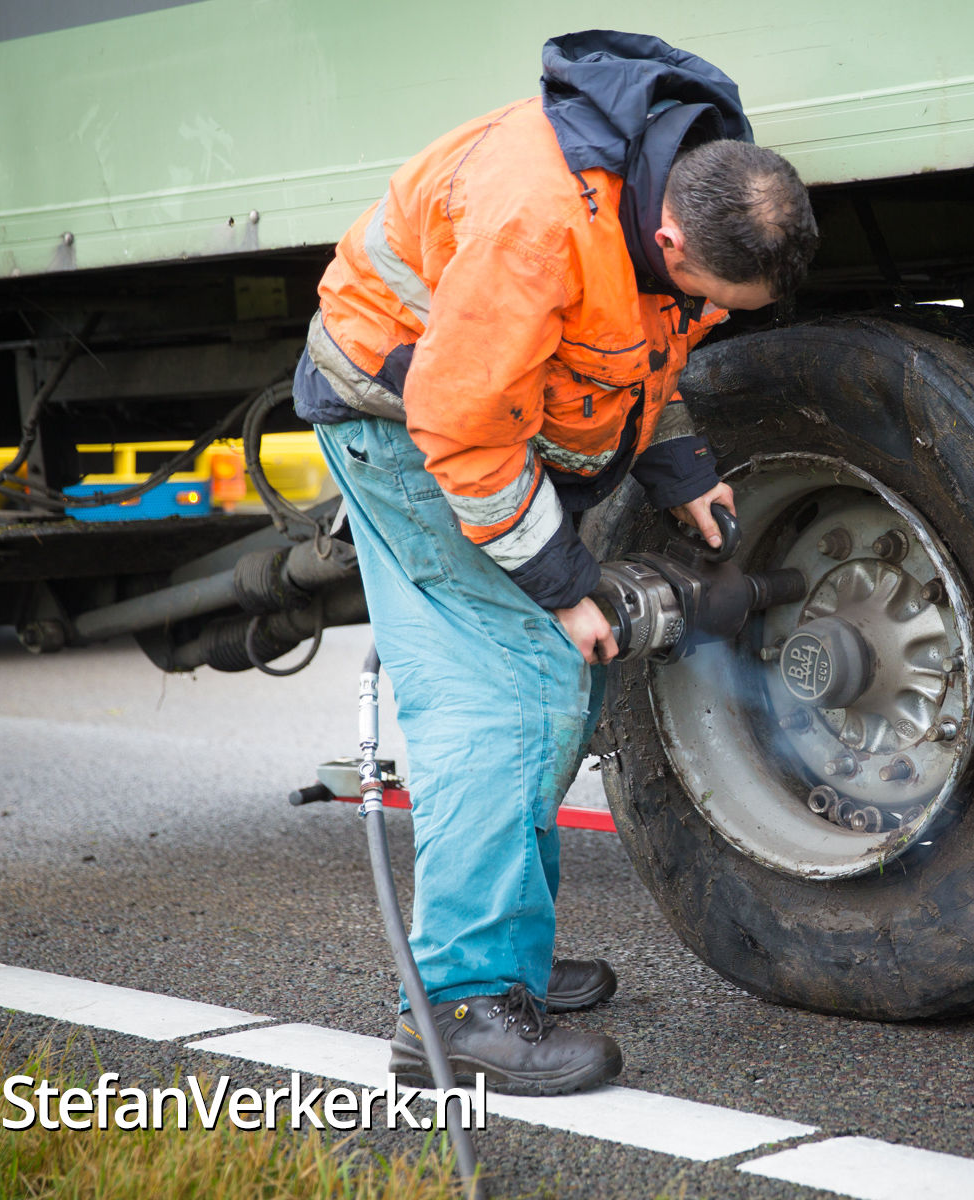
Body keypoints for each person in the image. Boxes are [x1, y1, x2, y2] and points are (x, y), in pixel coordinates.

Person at [290, 30, 818, 1096]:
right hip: (404, 429)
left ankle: (505, 959)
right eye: (713, 294)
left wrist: (676, 465)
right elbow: (464, 427)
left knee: (551, 688)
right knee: (511, 691)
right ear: (669, 232)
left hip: (483, 420)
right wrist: (566, 587)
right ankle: (461, 1006)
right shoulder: (533, 225)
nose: (716, 317)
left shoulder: (690, 188)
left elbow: (644, 339)